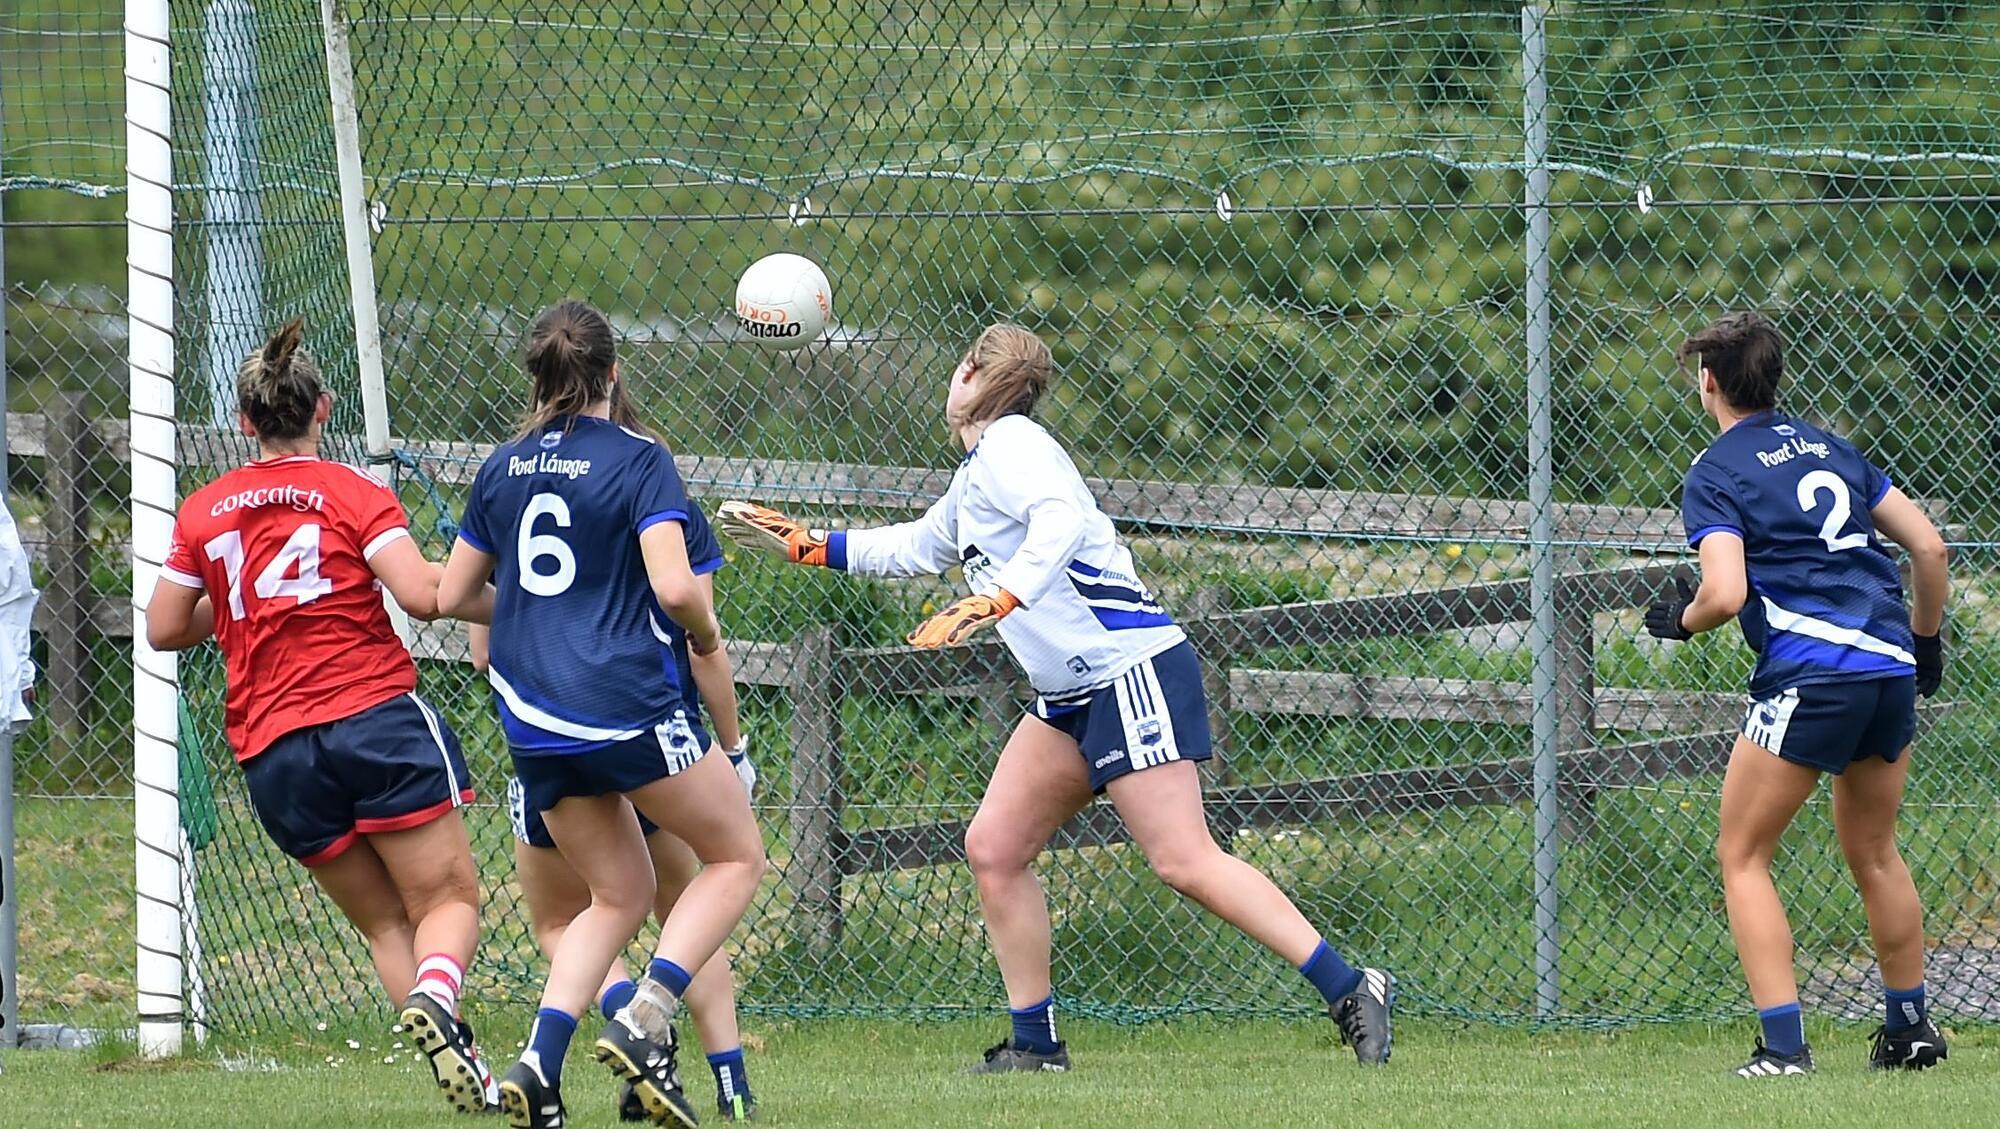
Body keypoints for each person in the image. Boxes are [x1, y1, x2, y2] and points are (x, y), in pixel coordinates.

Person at [722, 322, 1394, 1072]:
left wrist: (1001, 597)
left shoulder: (1015, 446)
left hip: (1127, 671)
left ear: (971, 373)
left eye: (962, 365)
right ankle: (1036, 1045)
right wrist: (807, 544)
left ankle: (1351, 987)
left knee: (1183, 859)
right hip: (1070, 692)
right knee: (995, 848)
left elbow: (1061, 522)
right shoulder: (979, 471)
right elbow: (917, 545)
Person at [144, 320, 497, 1112]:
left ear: (245, 422)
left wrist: (248, 607)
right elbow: (422, 595)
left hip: (274, 751)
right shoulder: (353, 492)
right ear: (324, 408)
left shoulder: (203, 511)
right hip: (373, 717)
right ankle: (438, 998)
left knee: (386, 924)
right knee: (447, 901)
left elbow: (164, 626)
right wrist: (517, 602)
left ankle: (464, 1068)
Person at [438, 299, 765, 1129]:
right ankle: (646, 1012)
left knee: (616, 896)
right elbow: (675, 587)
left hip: (534, 723)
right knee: (737, 856)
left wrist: (535, 611)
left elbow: (451, 594)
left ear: (537, 377)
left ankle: (537, 1066)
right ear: (613, 373)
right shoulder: (641, 457)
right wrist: (705, 628)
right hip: (625, 707)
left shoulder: (501, 466)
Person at [1644, 311, 1949, 1077]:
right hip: (1887, 667)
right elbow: (1929, 546)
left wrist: (1680, 620)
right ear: (1773, 378)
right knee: (1875, 850)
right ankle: (1910, 1028)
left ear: (1708, 382)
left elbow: (1724, 592)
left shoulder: (1716, 469)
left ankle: (1784, 1049)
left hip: (1812, 674)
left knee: (1743, 853)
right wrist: (1925, 643)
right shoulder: (1832, 448)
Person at [470, 498, 762, 1124]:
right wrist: (733, 749)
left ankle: (561, 1053)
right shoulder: (656, 498)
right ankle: (722, 1080)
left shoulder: (514, 491)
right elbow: (699, 640)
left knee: (566, 917)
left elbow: (480, 649)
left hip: (546, 735)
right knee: (693, 905)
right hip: (648, 735)